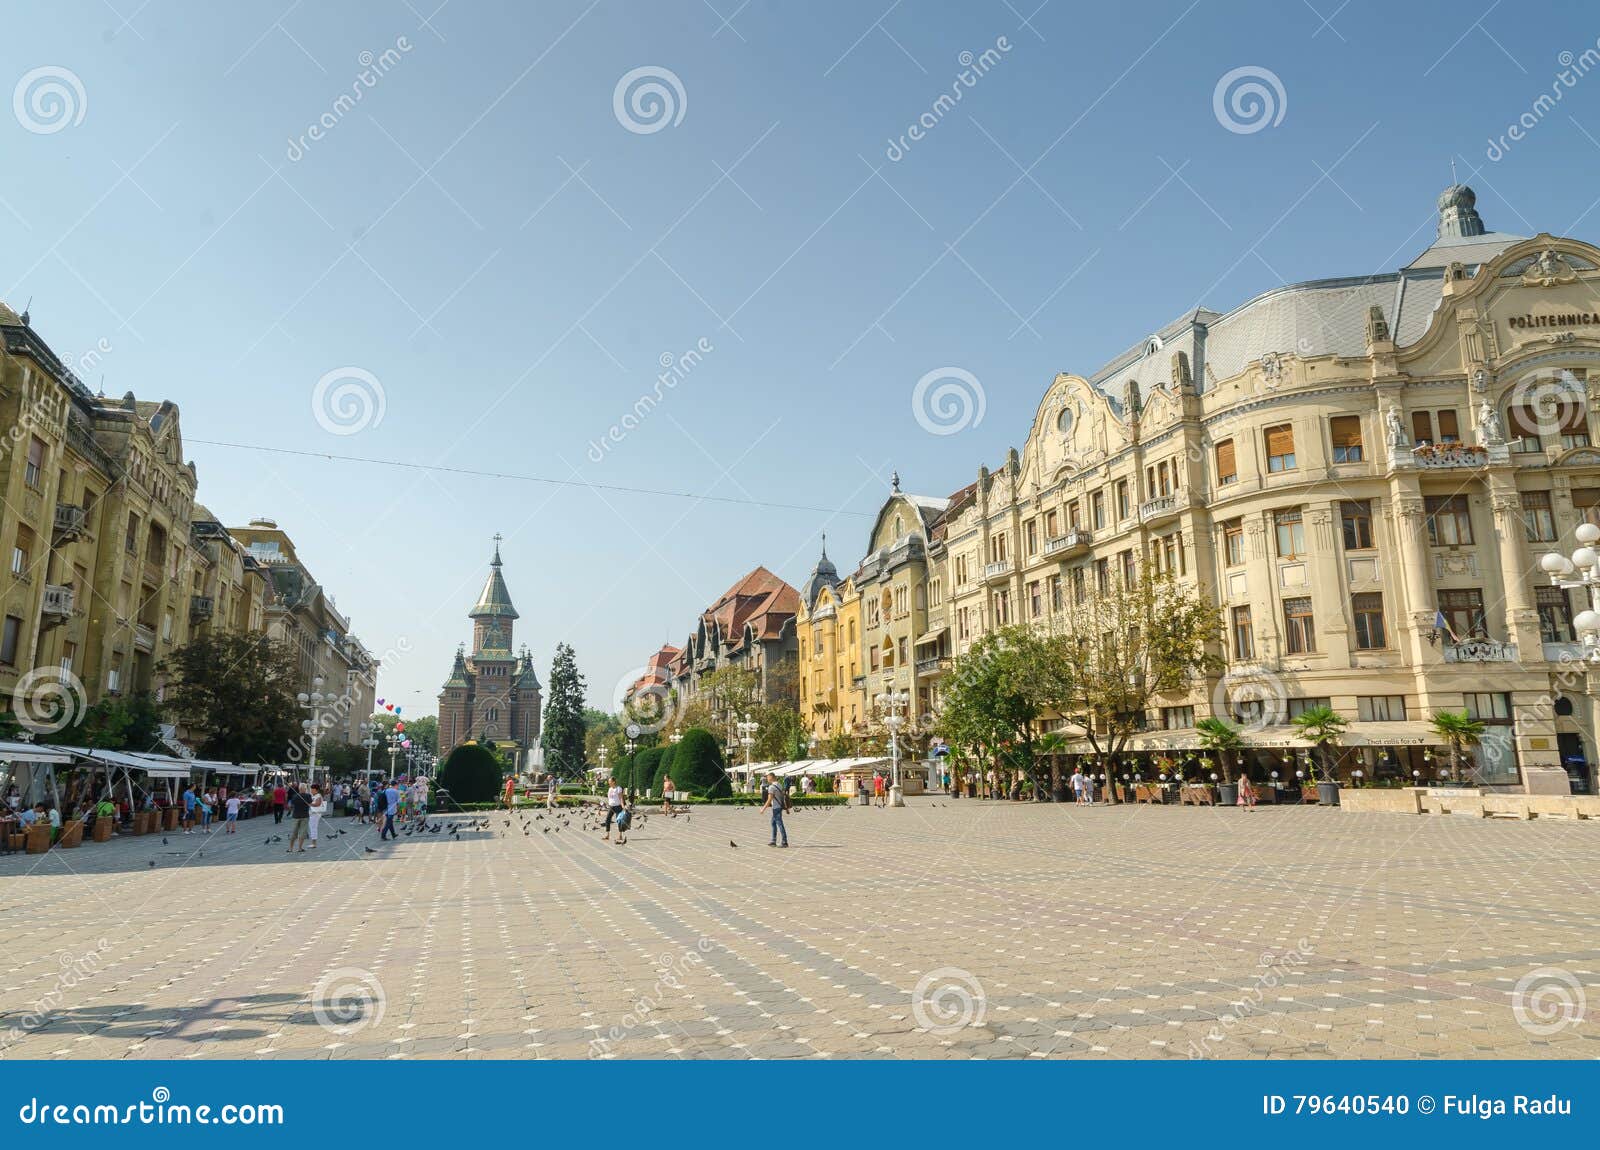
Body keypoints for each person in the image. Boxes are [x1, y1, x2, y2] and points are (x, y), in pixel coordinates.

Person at [761, 772, 789, 848]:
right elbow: (783, 797)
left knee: (779, 824)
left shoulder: (771, 787)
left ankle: (784, 842)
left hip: (776, 808)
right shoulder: (779, 785)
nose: (767, 779)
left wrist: (763, 809)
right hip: (779, 806)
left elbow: (769, 799)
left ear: (771, 777)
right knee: (773, 823)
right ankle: (773, 841)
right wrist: (786, 808)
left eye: (767, 777)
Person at [285, 784, 312, 853]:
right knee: (302, 833)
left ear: (299, 789)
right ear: (305, 789)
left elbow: (292, 804)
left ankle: (290, 848)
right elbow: (310, 803)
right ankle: (300, 848)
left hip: (296, 816)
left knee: (294, 833)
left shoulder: (295, 796)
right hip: (305, 816)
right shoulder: (308, 796)